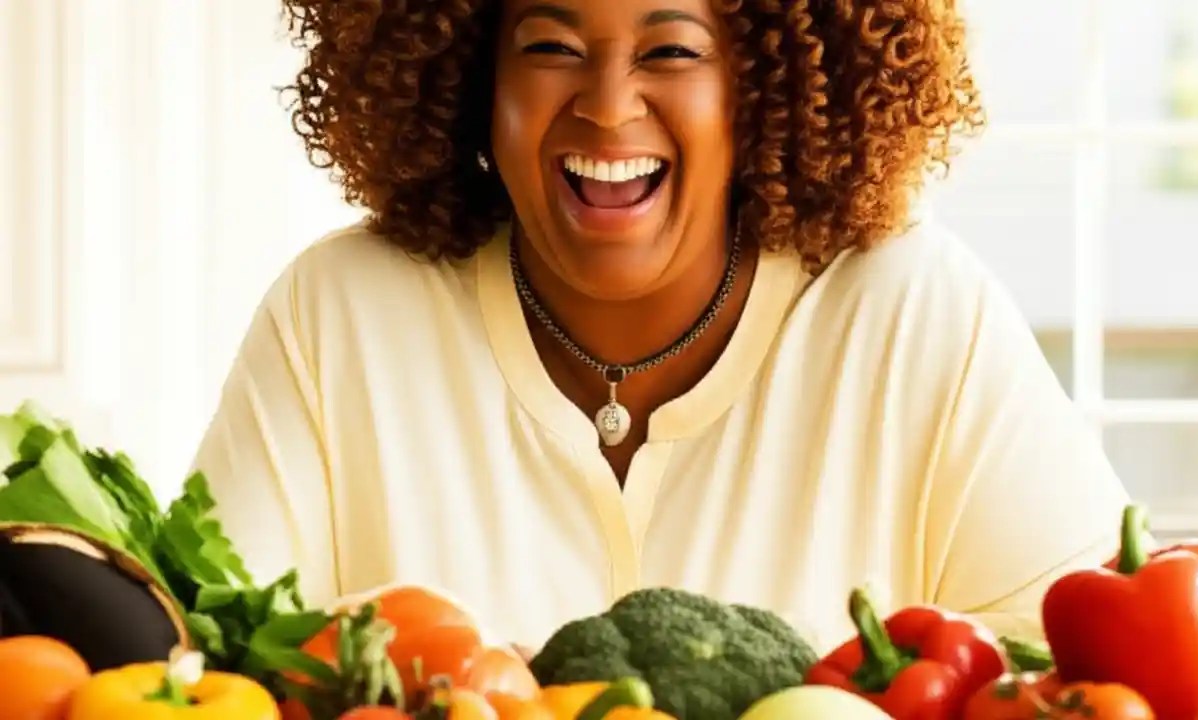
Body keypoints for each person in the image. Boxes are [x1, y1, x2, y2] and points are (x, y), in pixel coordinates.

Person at [192, 0, 1131, 654]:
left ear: (767, 87)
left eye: (672, 51)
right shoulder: (341, 315)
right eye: (551, 46)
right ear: (474, 80)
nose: (608, 105)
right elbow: (202, 668)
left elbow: (1094, 673)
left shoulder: (910, 315)